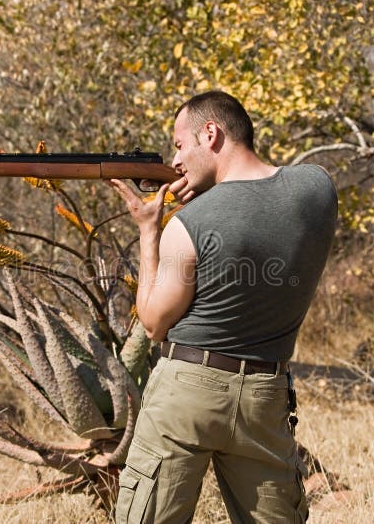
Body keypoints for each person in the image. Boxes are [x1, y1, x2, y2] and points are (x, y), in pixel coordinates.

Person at [108, 91, 337, 523]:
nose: (175, 162)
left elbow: (155, 323)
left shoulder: (189, 225)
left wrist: (148, 232)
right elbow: (256, 207)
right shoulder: (316, 189)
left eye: (179, 145)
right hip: (265, 396)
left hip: (186, 394)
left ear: (210, 133)